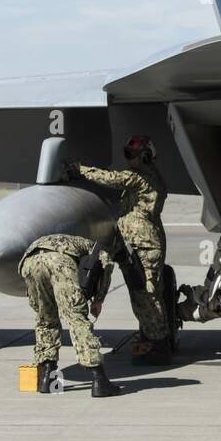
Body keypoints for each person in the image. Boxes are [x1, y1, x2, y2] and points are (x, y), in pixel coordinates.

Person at [68, 135, 171, 363]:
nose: (129, 159)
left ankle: (158, 347)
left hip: (144, 246)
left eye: (132, 155)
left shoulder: (140, 177)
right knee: (145, 295)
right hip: (139, 245)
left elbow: (113, 179)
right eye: (127, 154)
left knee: (147, 296)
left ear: (145, 157)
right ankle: (153, 339)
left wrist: (81, 170)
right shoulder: (147, 177)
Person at [18, 233, 122, 398]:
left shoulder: (70, 241)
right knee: (77, 319)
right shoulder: (95, 247)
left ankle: (48, 379)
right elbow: (106, 265)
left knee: (46, 320)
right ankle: (99, 380)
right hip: (59, 261)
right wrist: (99, 299)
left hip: (30, 262)